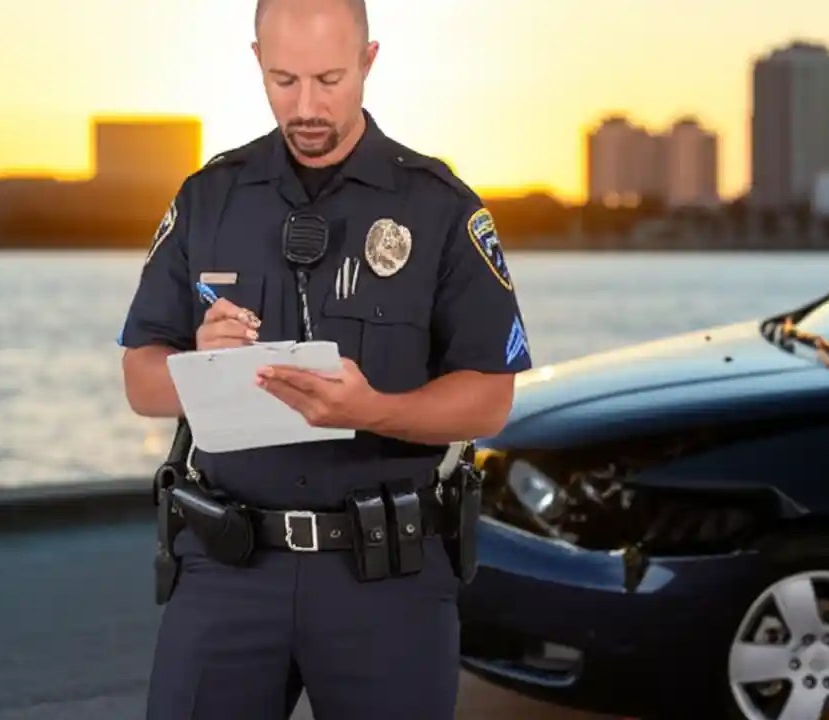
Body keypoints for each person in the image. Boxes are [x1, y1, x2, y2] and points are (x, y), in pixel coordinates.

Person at [117, 0, 532, 717]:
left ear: (369, 62)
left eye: (329, 78)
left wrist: (376, 411)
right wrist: (199, 366)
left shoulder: (439, 208)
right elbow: (140, 379)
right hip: (228, 571)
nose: (306, 105)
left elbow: (490, 397)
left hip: (387, 580)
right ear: (256, 62)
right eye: (283, 80)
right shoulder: (208, 200)